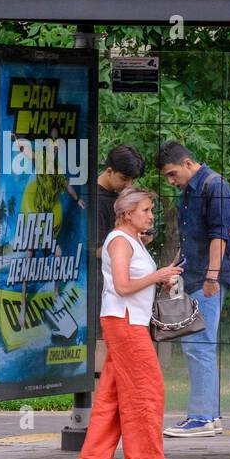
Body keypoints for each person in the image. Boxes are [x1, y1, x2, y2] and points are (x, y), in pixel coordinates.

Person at [78, 187, 182, 459]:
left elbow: (131, 281)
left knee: (112, 391)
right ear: (127, 213)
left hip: (126, 320)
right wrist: (157, 276)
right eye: (146, 210)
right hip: (125, 322)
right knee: (146, 388)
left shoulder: (132, 240)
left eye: (150, 209)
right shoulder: (121, 241)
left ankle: (95, 456)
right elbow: (122, 286)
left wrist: (159, 279)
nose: (151, 216)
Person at [157, 140, 230, 438]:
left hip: (206, 278)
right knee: (202, 345)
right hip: (194, 275)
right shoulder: (190, 191)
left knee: (198, 345)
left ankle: (200, 417)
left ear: (188, 163)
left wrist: (212, 276)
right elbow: (188, 240)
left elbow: (219, 235)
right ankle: (210, 415)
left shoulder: (214, 186)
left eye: (173, 174)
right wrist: (173, 269)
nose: (171, 181)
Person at [92, 145, 147, 380]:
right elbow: (93, 250)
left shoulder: (116, 199)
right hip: (97, 283)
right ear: (109, 170)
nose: (128, 186)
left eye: (132, 181)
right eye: (124, 179)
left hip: (113, 286)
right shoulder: (95, 201)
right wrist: (129, 240)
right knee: (100, 345)